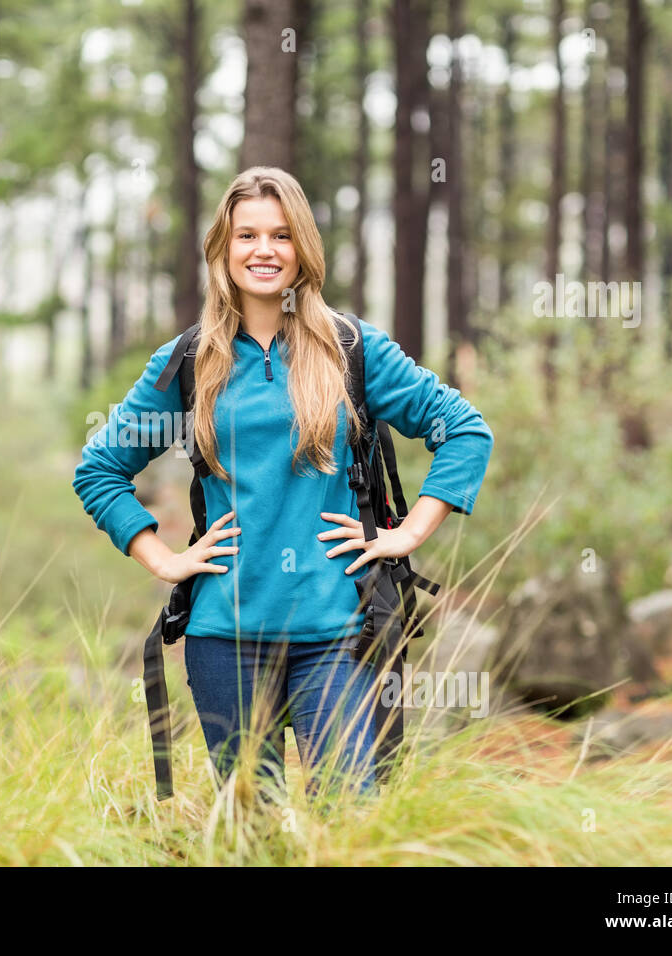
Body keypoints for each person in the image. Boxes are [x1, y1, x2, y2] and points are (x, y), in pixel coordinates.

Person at [72, 166, 493, 808]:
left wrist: (406, 534)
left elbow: (463, 429)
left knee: (349, 816)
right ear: (224, 248)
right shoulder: (187, 362)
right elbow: (99, 469)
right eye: (247, 235)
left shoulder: (352, 349)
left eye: (280, 235)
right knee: (253, 835)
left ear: (303, 249)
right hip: (223, 640)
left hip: (338, 633)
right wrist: (162, 557)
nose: (263, 250)